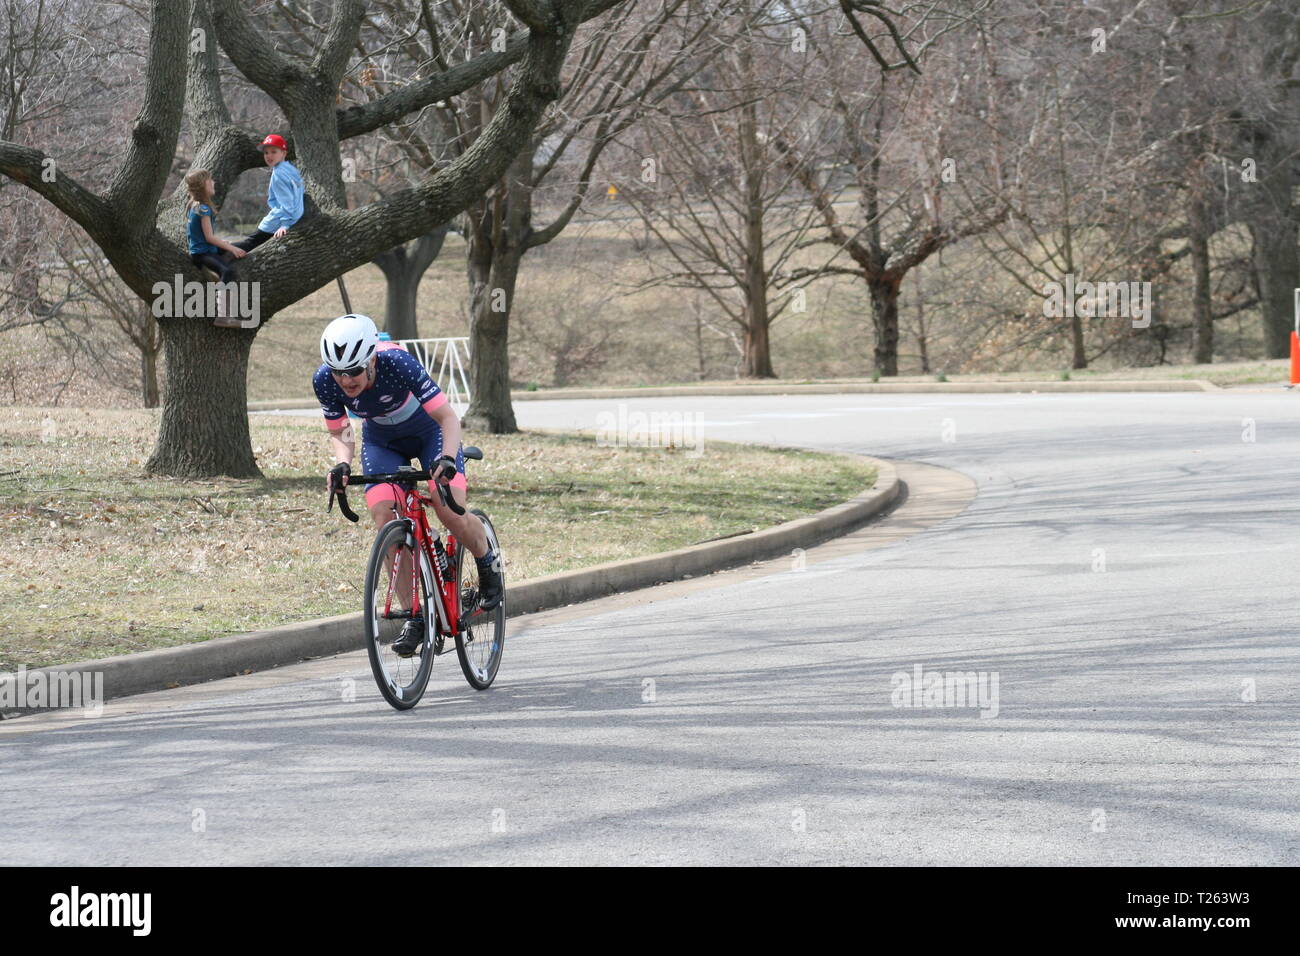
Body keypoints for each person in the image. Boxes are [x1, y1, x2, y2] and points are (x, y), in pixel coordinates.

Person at [315, 313, 502, 656]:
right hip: (381, 441)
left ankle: (487, 560)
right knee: (385, 518)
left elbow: (447, 418)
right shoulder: (325, 380)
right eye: (339, 372)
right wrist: (342, 463)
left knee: (447, 507)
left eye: (354, 371)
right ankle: (414, 615)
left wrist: (446, 459)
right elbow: (341, 431)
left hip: (430, 432)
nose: (346, 380)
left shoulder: (397, 362)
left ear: (371, 359)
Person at [183, 168, 247, 327]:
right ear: (203, 185)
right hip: (203, 253)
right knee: (228, 272)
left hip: (203, 250)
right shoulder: (203, 209)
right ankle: (223, 317)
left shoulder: (194, 205)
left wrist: (226, 244)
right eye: (210, 180)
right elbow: (209, 237)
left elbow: (202, 235)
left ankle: (217, 275)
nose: (214, 182)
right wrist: (230, 248)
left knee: (235, 247)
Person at [233, 134, 304, 254]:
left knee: (250, 243)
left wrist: (285, 225)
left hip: (277, 221)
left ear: (284, 153)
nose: (269, 156)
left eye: (273, 152)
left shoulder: (278, 175)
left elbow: (287, 201)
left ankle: (218, 249)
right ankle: (221, 249)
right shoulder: (291, 169)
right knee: (251, 244)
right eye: (266, 153)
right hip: (292, 217)